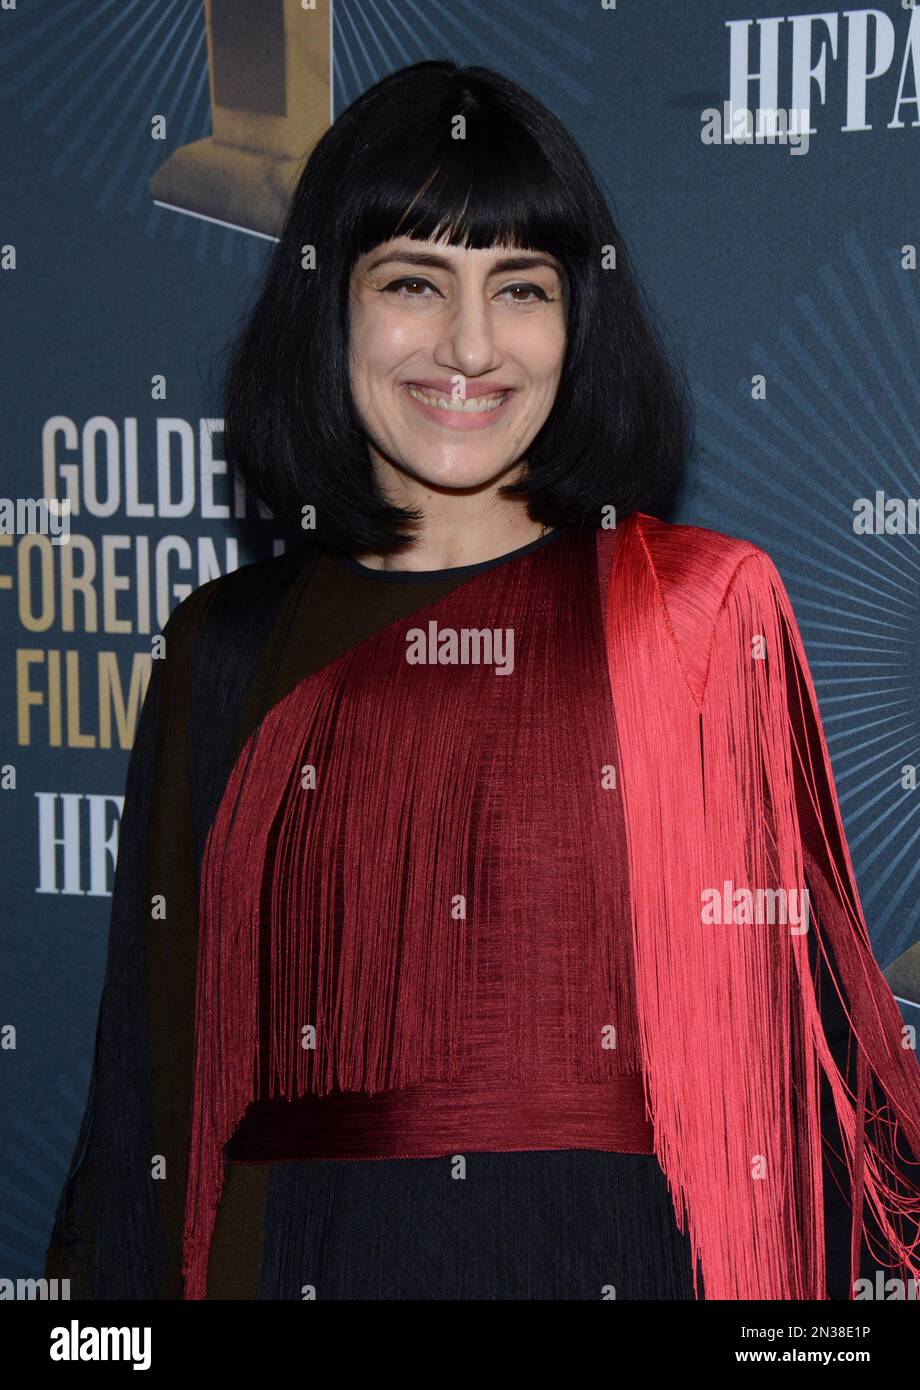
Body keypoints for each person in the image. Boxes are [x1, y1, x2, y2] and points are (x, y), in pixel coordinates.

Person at [45, 60, 920, 1301]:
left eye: (519, 288)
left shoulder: (699, 616)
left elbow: (796, 1066)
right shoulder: (222, 645)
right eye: (412, 282)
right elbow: (151, 1085)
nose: (467, 345)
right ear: (329, 310)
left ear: (576, 323)